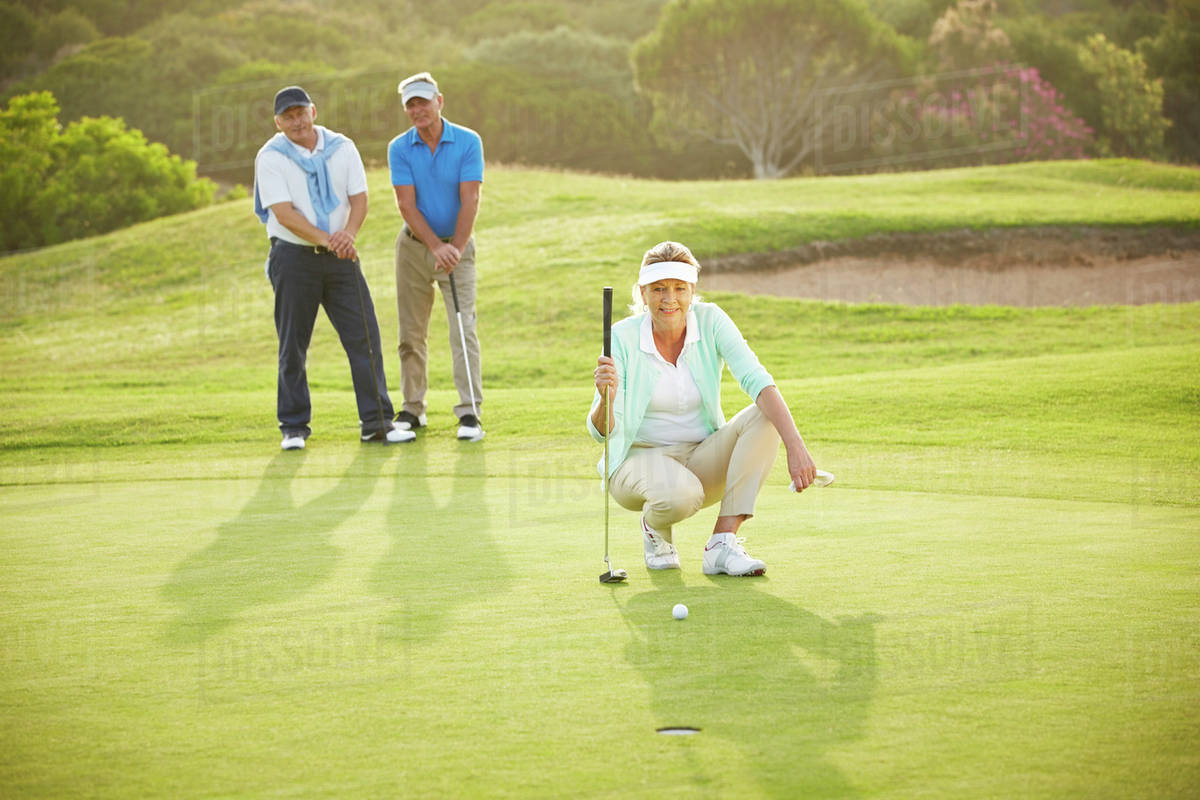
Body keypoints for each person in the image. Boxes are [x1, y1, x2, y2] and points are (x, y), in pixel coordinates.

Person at [587, 241, 820, 576]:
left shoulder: (711, 320)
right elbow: (600, 433)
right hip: (636, 463)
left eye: (679, 289)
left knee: (765, 415)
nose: (669, 300)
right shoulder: (621, 337)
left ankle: (722, 544)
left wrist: (796, 446)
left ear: (692, 290)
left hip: (700, 457)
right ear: (642, 292)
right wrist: (606, 397)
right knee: (682, 494)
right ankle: (654, 527)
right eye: (658, 289)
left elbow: (756, 378)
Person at [253, 85, 413, 450]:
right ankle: (293, 427)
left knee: (365, 338)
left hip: (342, 257)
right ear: (278, 122)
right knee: (293, 344)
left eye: (300, 113)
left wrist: (348, 235)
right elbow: (284, 213)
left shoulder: (343, 147)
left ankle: (377, 423)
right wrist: (329, 240)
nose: (296, 121)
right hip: (293, 258)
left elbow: (359, 197)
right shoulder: (270, 157)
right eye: (288, 117)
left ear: (313, 111)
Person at [387, 72, 486, 441]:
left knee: (464, 330)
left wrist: (455, 248)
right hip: (414, 247)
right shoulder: (399, 147)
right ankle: (412, 409)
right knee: (410, 332)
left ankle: (470, 413)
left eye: (422, 102)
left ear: (439, 101)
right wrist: (435, 247)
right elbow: (405, 204)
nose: (417, 110)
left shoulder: (467, 141)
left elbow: (470, 199)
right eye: (410, 105)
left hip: (458, 247)